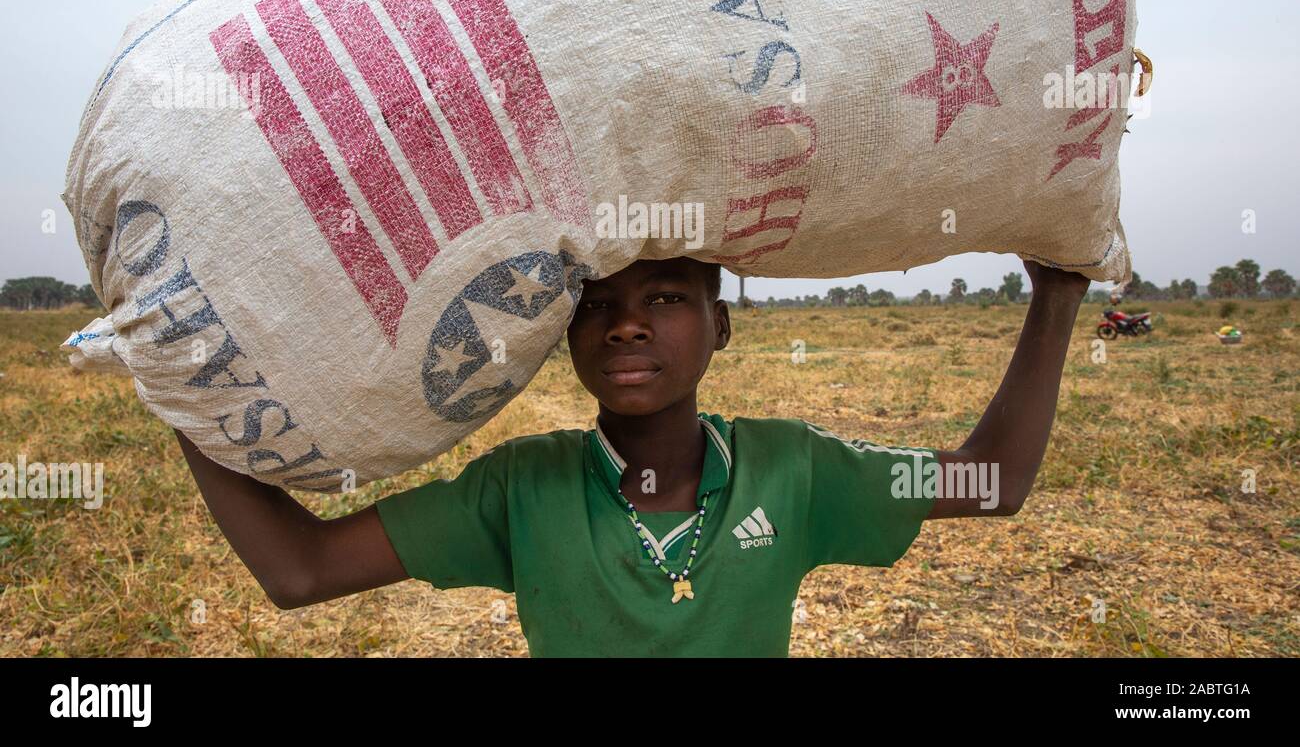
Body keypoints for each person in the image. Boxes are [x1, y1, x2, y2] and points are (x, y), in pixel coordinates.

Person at [174, 255, 1090, 657]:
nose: (626, 325)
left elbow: (994, 482)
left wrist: (1055, 294)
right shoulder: (522, 487)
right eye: (595, 304)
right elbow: (300, 570)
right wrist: (182, 390)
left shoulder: (794, 470)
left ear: (721, 326)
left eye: (666, 299)